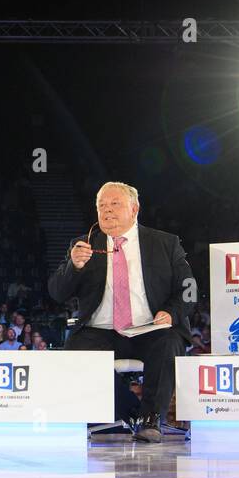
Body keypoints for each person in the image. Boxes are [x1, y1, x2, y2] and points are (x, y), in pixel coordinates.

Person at [48, 181, 196, 443]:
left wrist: (171, 313)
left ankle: (151, 419)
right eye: (101, 206)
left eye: (115, 204)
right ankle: (130, 414)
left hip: (150, 328)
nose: (107, 211)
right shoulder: (83, 245)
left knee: (169, 342)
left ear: (135, 208)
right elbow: (57, 293)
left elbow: (189, 289)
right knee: (75, 351)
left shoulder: (165, 243)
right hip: (100, 331)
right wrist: (74, 267)